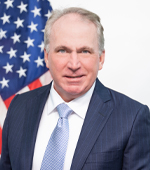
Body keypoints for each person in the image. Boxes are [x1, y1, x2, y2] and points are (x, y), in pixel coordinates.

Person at [0, 7, 150, 170]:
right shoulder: (19, 106)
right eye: (62, 50)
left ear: (100, 58)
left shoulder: (132, 118)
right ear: (47, 57)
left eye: (85, 51)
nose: (73, 64)